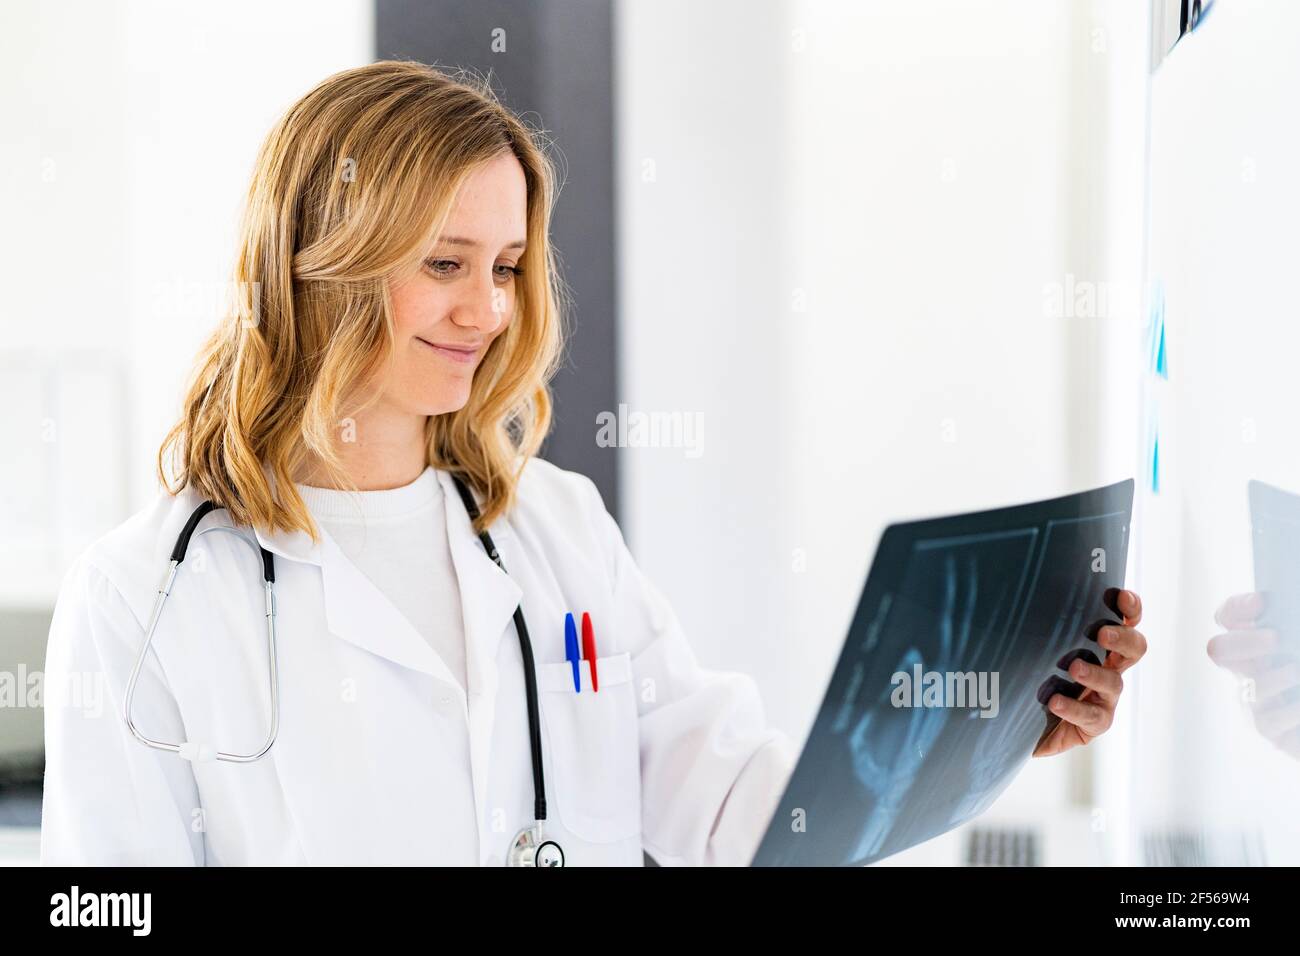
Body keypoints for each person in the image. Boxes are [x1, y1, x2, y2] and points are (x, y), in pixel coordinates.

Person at [39, 60, 1146, 867]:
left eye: (511, 265)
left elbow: (735, 810)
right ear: (322, 264)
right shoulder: (148, 594)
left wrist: (986, 725)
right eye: (444, 262)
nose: (486, 309)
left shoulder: (553, 528)